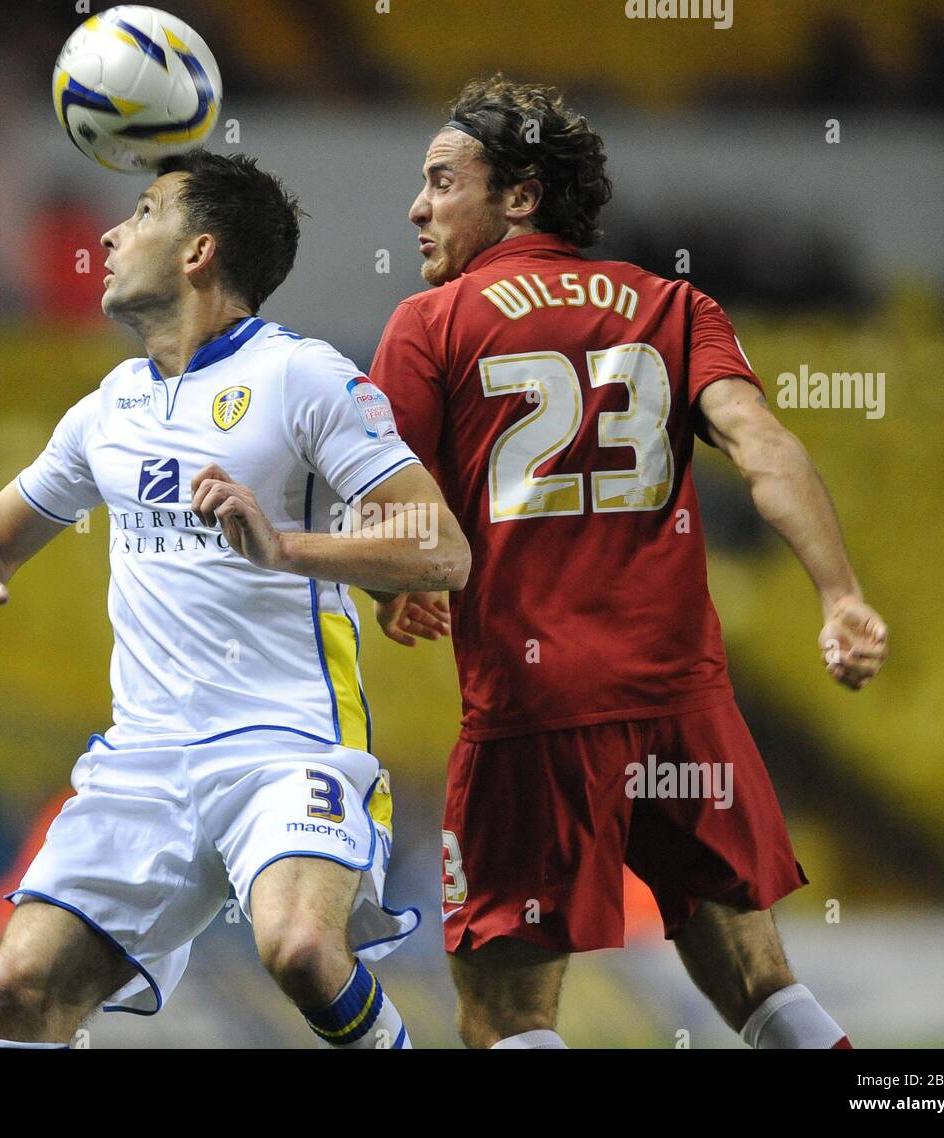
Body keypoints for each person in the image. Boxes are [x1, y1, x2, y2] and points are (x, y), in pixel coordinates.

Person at [0, 151, 469, 1049]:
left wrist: (289, 549)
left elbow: (443, 550)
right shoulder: (108, 409)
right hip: (147, 762)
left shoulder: (305, 379)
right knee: (14, 988)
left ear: (200, 250)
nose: (111, 235)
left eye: (144, 212)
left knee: (302, 948)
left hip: (286, 742)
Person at [368, 75, 888, 1049]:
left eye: (442, 180)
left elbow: (379, 504)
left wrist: (391, 580)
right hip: (683, 705)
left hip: (534, 715)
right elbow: (766, 449)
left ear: (520, 193)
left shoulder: (430, 324)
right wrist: (840, 594)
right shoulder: (673, 305)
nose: (417, 206)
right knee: (762, 984)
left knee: (502, 1019)